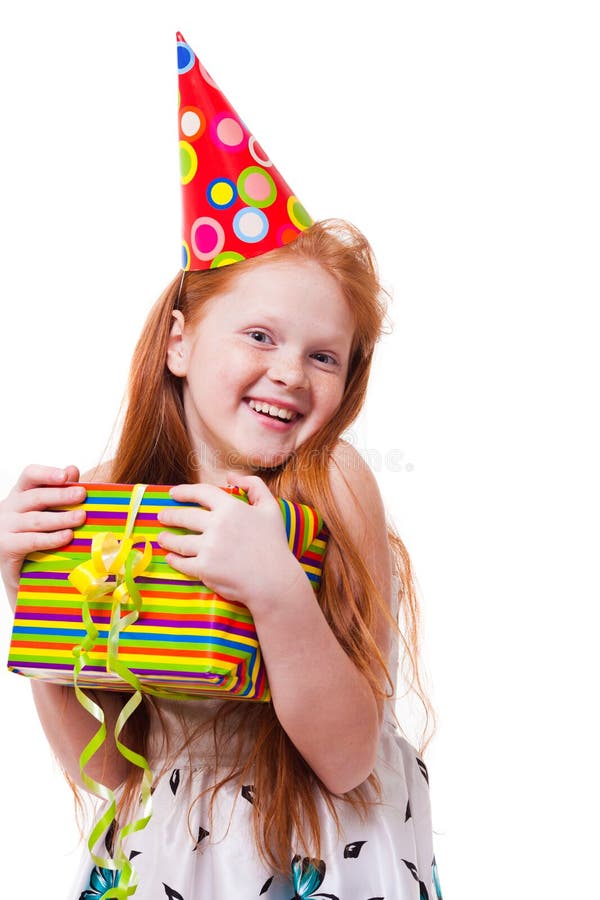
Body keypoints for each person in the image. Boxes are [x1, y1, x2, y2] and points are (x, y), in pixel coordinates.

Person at [0, 33, 442, 900]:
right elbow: (111, 771)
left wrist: (276, 590)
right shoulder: (122, 504)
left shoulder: (332, 481)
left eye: (326, 357)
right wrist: (26, 597)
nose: (290, 371)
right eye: (261, 336)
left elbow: (349, 757)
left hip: (312, 856)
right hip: (168, 859)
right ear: (179, 341)